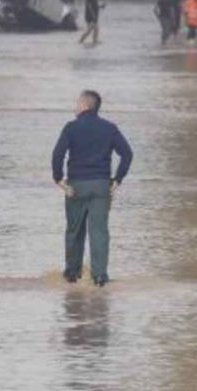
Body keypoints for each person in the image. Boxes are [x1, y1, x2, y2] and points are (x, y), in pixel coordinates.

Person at [51, 89, 133, 286]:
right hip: (101, 186)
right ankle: (99, 277)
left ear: (86, 105)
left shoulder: (71, 128)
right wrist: (117, 179)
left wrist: (59, 179)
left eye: (77, 102)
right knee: (99, 231)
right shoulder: (110, 128)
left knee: (74, 231)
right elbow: (127, 154)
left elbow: (58, 154)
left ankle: (72, 274)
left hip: (76, 186)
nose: (75, 106)